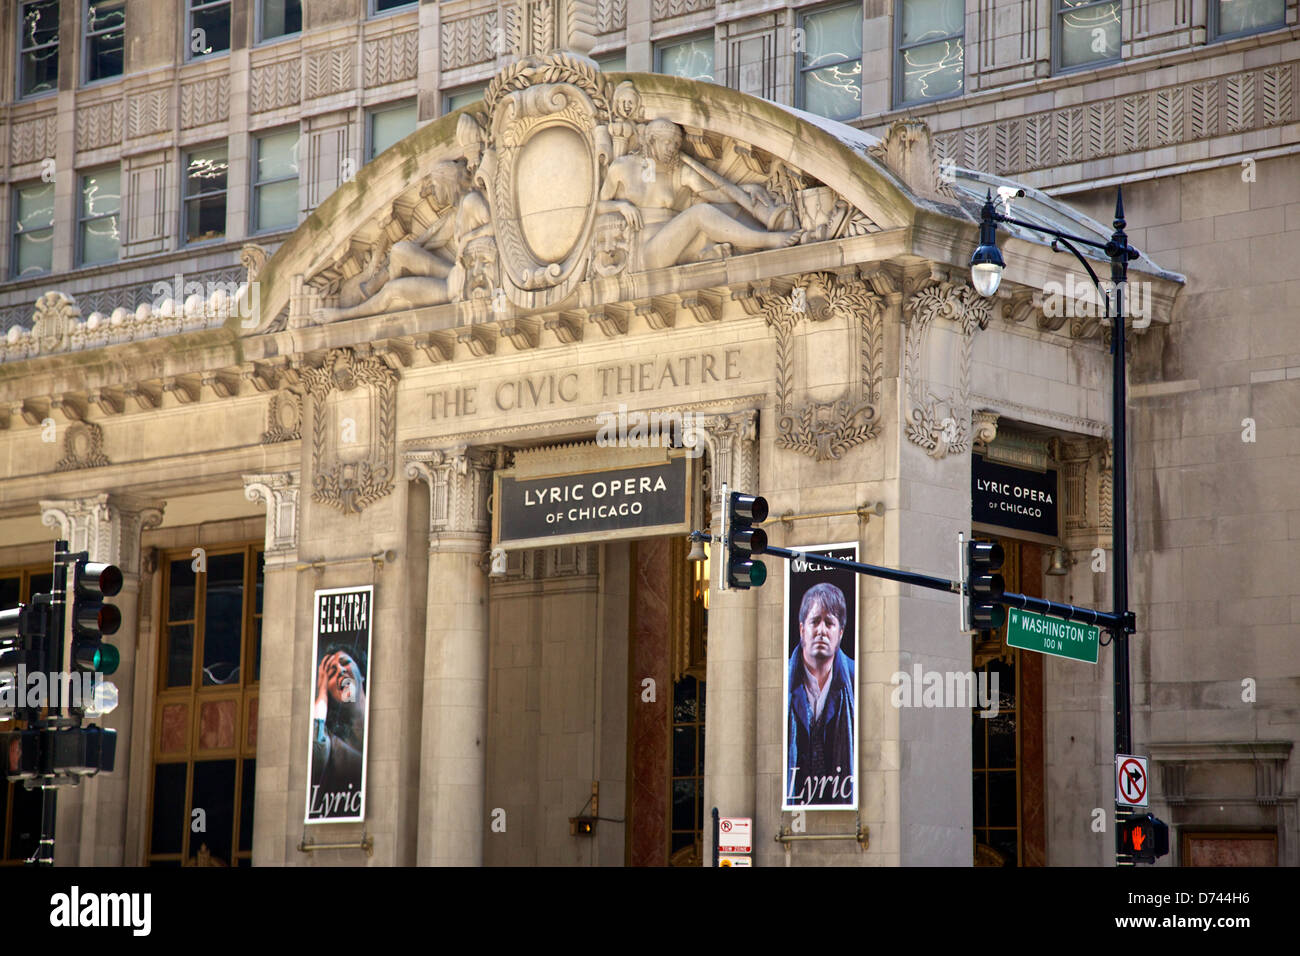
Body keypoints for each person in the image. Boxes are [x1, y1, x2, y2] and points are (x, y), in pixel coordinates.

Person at [787, 582, 855, 806]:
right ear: (801, 629)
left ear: (841, 632)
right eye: (815, 621)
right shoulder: (782, 679)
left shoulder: (856, 678)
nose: (821, 631)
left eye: (829, 623)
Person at [309, 643, 367, 815]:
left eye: (345, 662)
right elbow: (316, 747)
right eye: (332, 673)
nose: (341, 670)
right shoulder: (332, 743)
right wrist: (321, 693)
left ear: (361, 674)